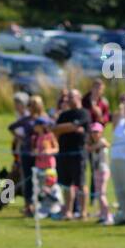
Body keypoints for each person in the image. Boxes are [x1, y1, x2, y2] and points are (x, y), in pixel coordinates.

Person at [53, 88, 91, 219]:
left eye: (71, 97)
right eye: (67, 98)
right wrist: (70, 127)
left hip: (78, 153)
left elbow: (73, 126)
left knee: (80, 183)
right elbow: (55, 130)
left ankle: (83, 212)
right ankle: (68, 212)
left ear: (79, 97)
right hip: (63, 153)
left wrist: (64, 128)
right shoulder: (64, 115)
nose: (68, 100)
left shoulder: (84, 113)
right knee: (65, 184)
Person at [11, 95, 52, 216]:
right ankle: (29, 205)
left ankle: (44, 204)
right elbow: (12, 127)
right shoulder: (26, 119)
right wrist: (21, 138)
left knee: (44, 179)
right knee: (28, 179)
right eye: (30, 104)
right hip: (27, 152)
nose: (31, 107)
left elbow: (52, 132)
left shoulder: (45, 119)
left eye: (34, 104)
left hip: (42, 155)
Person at [86, 123, 113, 224]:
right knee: (98, 194)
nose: (94, 134)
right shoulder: (92, 143)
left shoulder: (102, 141)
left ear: (101, 133)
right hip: (96, 170)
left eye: (96, 132)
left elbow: (106, 144)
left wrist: (93, 146)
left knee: (102, 194)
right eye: (93, 132)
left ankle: (108, 216)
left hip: (103, 170)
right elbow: (88, 148)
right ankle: (102, 215)